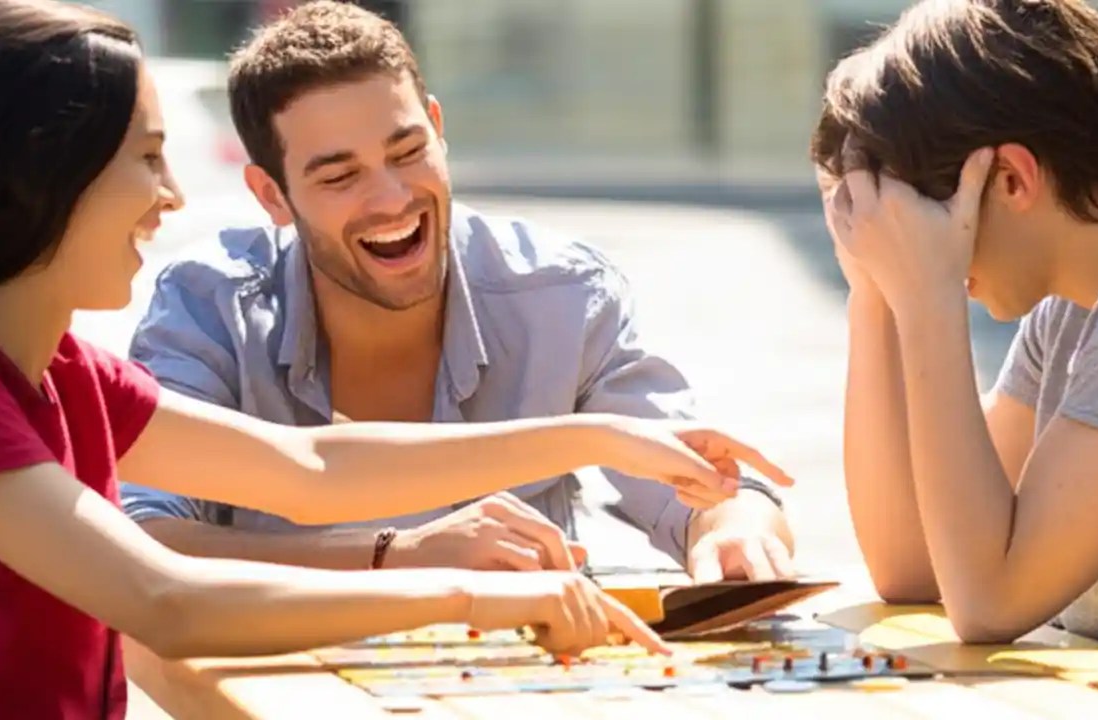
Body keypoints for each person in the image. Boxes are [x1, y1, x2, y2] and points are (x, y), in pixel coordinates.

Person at [0, 1, 796, 716]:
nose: (175, 195)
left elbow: (308, 466)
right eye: (148, 158)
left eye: (406, 153)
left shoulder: (69, 373)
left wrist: (597, 438)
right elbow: (163, 597)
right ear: (46, 176)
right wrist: (465, 593)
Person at [121, 0, 796, 582]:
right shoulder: (208, 307)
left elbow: (699, 482)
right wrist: (397, 557)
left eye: (409, 151)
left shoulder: (559, 293)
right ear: (272, 196)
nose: (391, 198)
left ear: (440, 130)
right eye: (339, 176)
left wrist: (732, 528)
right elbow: (139, 542)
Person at [814, 0, 1098, 679]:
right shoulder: (1084, 299)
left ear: (1013, 179)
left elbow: (990, 600)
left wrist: (929, 299)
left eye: (926, 223)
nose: (924, 252)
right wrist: (875, 292)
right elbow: (914, 564)